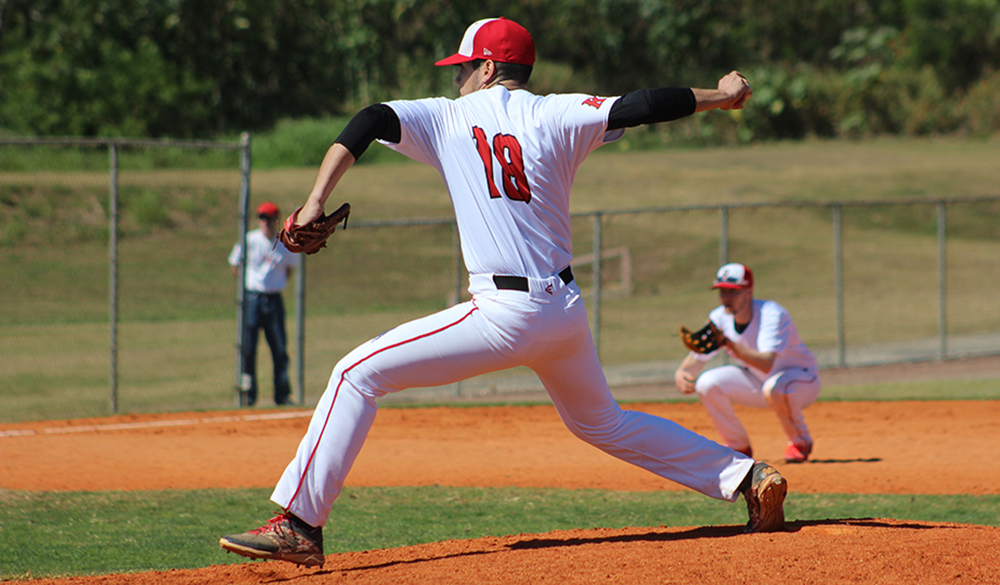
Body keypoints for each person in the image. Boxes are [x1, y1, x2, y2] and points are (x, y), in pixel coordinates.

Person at [220, 17, 787, 567]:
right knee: (602, 423)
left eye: (464, 67)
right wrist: (720, 94)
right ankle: (748, 477)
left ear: (488, 68)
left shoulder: (448, 117)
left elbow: (369, 118)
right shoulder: (556, 112)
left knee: (355, 372)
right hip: (563, 313)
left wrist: (316, 200)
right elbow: (640, 105)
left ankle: (299, 526)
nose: (456, 78)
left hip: (504, 312)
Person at [674, 263, 822, 463]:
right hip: (759, 382)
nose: (726, 297)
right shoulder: (719, 317)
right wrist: (683, 372)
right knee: (706, 383)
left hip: (801, 381)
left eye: (733, 292)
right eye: (722, 292)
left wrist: (728, 343)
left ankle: (800, 441)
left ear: (749, 291)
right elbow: (697, 358)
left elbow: (766, 363)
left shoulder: (772, 313)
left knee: (776, 386)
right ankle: (738, 447)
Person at [228, 201, 301, 406]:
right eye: (261, 218)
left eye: (268, 218)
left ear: (276, 221)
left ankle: (282, 395)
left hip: (274, 300)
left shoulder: (284, 243)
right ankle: (248, 395)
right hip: (252, 300)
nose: (265, 222)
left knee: (279, 348)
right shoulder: (250, 239)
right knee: (248, 349)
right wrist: (247, 285)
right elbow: (235, 264)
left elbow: (289, 269)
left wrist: (277, 284)